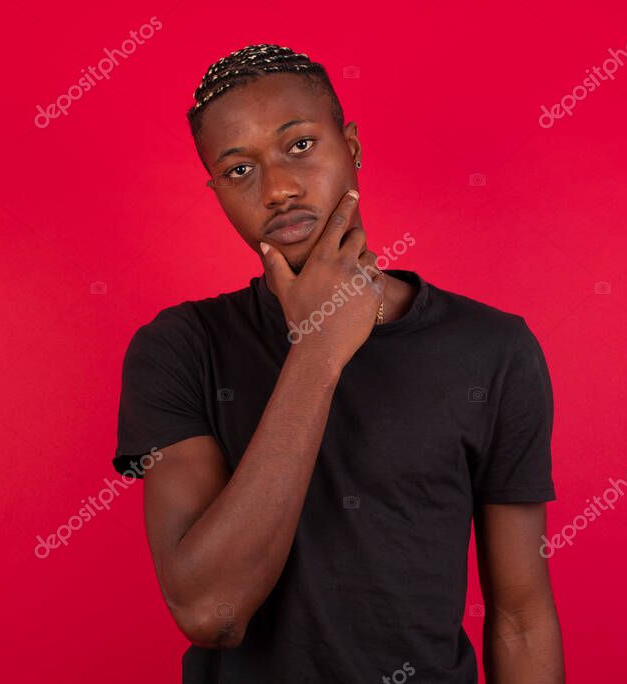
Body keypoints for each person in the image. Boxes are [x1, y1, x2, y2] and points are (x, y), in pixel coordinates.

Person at [114, 43, 565, 683]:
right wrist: (319, 349)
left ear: (350, 145)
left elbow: (521, 618)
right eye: (239, 170)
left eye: (300, 145)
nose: (278, 189)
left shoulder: (492, 348)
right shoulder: (181, 346)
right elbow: (210, 612)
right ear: (214, 190)